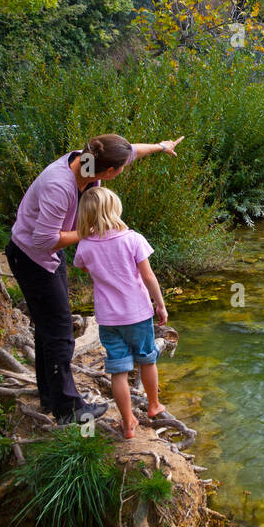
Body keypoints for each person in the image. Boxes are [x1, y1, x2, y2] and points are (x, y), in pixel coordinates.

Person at [6, 133, 182, 423]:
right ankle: (69, 410)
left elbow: (131, 151)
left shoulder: (90, 160)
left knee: (48, 328)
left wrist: (162, 147)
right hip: (32, 258)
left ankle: (50, 397)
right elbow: (42, 240)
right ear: (110, 172)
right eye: (121, 168)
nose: (125, 169)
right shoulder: (59, 185)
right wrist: (93, 231)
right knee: (60, 332)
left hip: (49, 254)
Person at [73, 186, 171, 439]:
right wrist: (160, 304)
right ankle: (153, 405)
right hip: (137, 314)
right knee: (147, 359)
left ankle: (128, 423)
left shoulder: (84, 246)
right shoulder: (133, 239)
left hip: (108, 319)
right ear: (114, 210)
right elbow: (148, 276)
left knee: (119, 370)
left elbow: (85, 268)